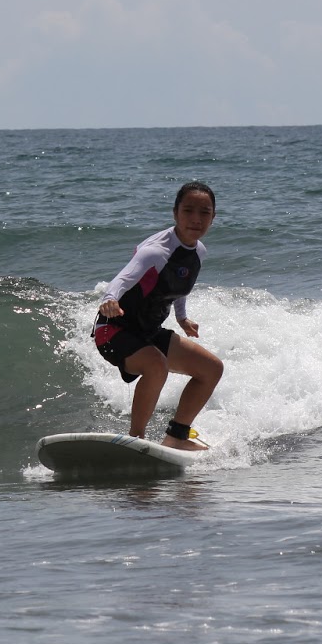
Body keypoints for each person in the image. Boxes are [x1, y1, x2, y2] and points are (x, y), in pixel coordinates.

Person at [93, 181, 225, 450]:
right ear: (175, 213)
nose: (196, 219)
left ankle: (177, 436)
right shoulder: (155, 251)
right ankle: (136, 439)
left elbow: (179, 284)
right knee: (156, 365)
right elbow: (124, 277)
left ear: (213, 217)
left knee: (211, 369)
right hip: (113, 330)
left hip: (148, 332)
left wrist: (181, 317)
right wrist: (109, 299)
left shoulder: (198, 251)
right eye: (188, 210)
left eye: (205, 212)